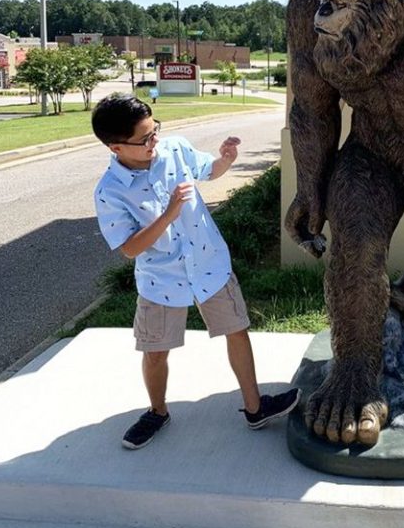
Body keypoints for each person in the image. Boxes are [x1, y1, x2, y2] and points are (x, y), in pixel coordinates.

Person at [91, 93, 300, 449]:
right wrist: (169, 214)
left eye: (154, 129)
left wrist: (225, 159)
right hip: (161, 279)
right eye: (144, 139)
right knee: (155, 351)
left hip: (209, 264)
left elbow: (209, 170)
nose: (154, 141)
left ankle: (255, 407)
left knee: (237, 331)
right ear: (116, 147)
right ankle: (157, 412)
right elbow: (128, 248)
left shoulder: (173, 149)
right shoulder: (109, 191)